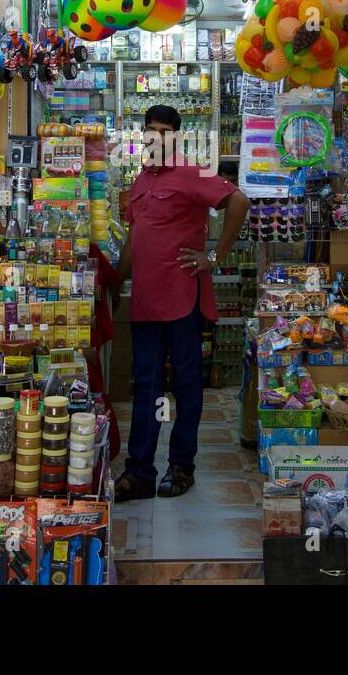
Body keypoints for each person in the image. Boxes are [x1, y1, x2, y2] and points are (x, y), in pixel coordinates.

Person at [112, 105, 251, 503]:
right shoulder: (139, 181)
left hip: (183, 300)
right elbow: (133, 242)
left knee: (187, 387)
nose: (157, 137)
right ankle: (140, 470)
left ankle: (181, 466)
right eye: (150, 130)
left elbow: (238, 202)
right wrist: (115, 282)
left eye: (165, 131)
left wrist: (214, 257)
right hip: (145, 303)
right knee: (147, 388)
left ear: (177, 137)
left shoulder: (193, 172)